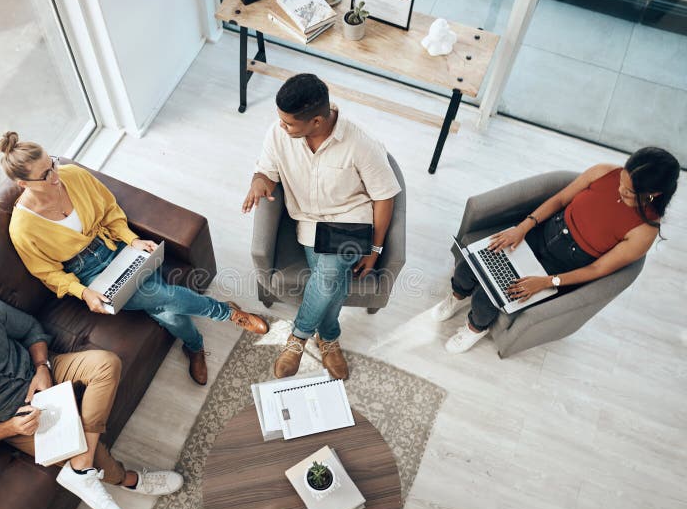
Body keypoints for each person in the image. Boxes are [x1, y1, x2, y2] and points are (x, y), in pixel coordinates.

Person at [0, 132, 269, 386]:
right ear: (23, 184)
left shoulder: (73, 176)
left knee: (162, 304)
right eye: (45, 175)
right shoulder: (22, 228)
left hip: (115, 246)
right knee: (159, 298)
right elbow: (48, 273)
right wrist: (84, 293)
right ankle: (226, 315)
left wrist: (132, 240)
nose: (55, 175)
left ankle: (196, 344)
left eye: (53, 164)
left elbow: (109, 210)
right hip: (89, 274)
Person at [0, 297, 180, 509]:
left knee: (106, 363)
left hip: (43, 370)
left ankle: (79, 470)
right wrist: (10, 428)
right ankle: (131, 480)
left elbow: (30, 330)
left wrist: (41, 367)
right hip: (18, 418)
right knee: (87, 448)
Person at [430, 147, 680, 353]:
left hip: (563, 266)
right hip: (542, 232)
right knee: (468, 266)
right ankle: (457, 298)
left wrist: (546, 282)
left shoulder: (644, 231)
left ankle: (476, 327)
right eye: (622, 181)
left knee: (490, 298)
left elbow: (597, 269)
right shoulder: (604, 172)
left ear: (654, 194)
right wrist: (522, 227)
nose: (620, 190)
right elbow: (560, 200)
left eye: (629, 192)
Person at [242, 73, 401, 380]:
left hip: (350, 220)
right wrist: (258, 184)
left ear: (316, 121)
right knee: (332, 282)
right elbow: (265, 170)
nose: (282, 127)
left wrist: (375, 250)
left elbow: (385, 198)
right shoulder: (278, 134)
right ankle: (328, 337)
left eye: (289, 123)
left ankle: (297, 339)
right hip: (310, 224)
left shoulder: (361, 144)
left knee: (327, 276)